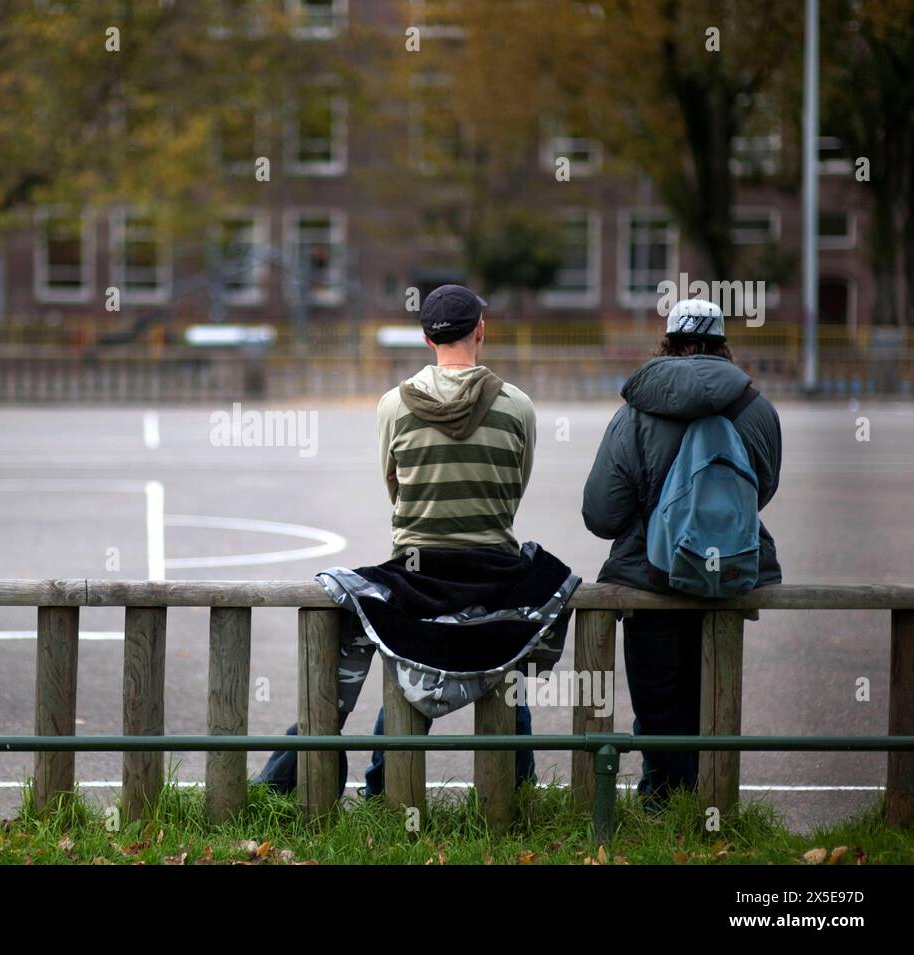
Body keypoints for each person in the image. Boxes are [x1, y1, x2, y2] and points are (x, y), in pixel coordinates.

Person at [255, 283, 539, 796]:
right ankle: (515, 791)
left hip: (418, 575)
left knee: (410, 668)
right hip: (496, 576)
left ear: (427, 337)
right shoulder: (518, 406)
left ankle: (384, 786)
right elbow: (516, 485)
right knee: (504, 677)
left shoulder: (394, 404)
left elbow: (394, 484)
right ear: (481, 329)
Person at [581, 298, 782, 806]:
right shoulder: (756, 409)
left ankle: (664, 805)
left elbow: (601, 515)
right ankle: (712, 807)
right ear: (721, 344)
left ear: (666, 342)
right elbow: (762, 490)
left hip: (651, 579)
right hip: (728, 577)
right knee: (710, 698)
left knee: (659, 704)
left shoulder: (635, 412)